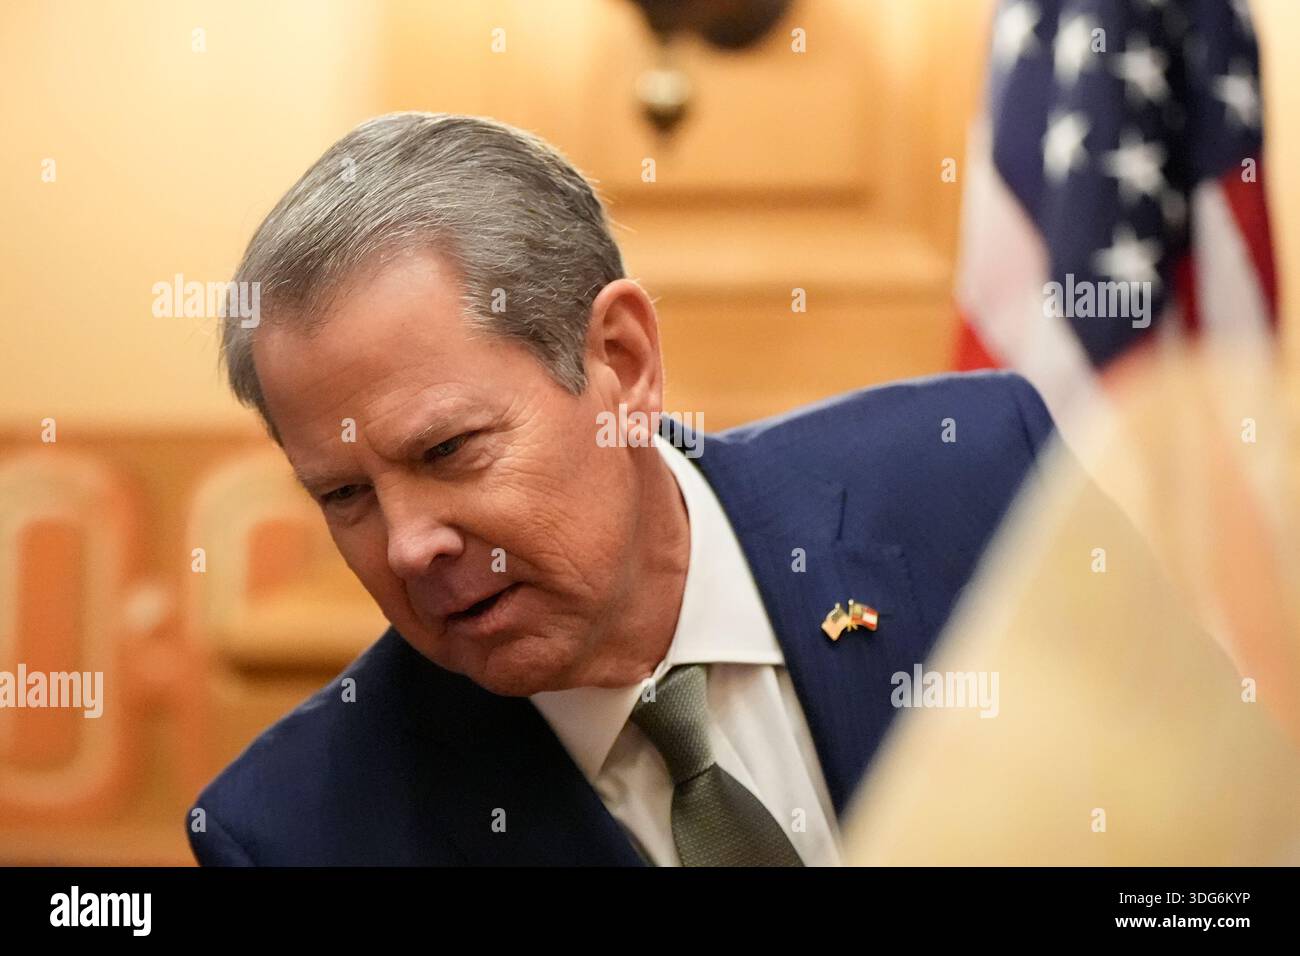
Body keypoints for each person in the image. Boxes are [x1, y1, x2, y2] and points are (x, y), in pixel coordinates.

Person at [187, 112, 1054, 866]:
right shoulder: (301, 834)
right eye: (344, 496)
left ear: (623, 363)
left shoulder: (984, 487)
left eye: (448, 448)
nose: (409, 546)